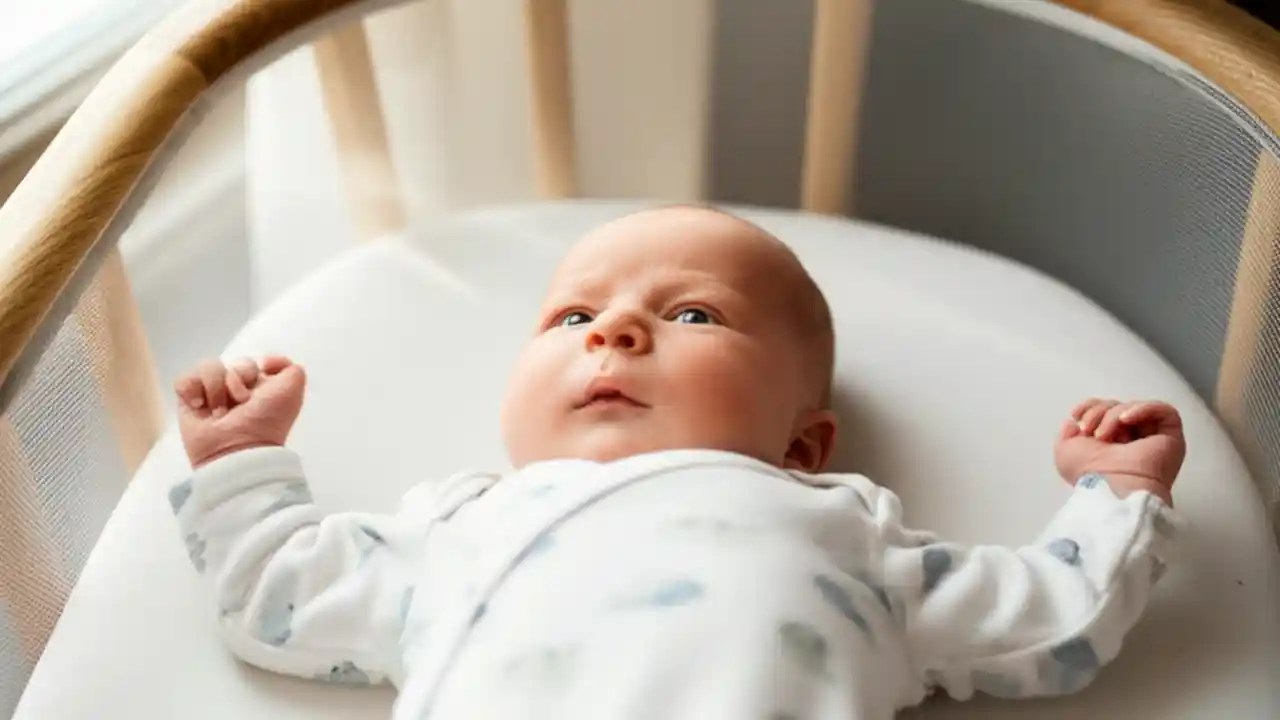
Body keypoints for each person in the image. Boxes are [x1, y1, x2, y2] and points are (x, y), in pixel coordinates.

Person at [170, 205, 1184, 719]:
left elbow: (1051, 620)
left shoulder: (841, 530)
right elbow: (278, 599)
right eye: (570, 317)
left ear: (801, 445)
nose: (612, 331)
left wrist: (1117, 493)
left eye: (693, 315)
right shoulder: (456, 526)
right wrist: (242, 459)